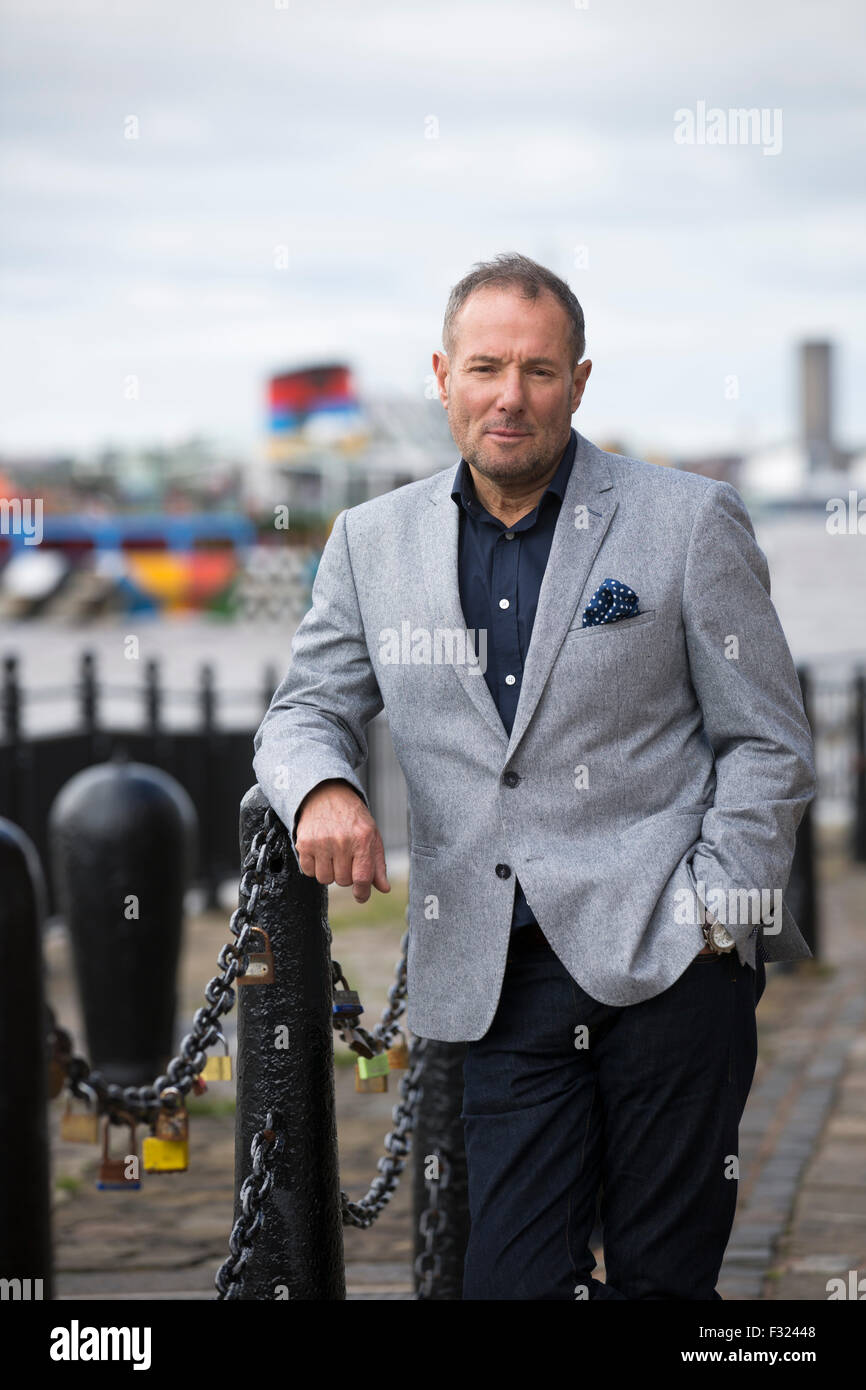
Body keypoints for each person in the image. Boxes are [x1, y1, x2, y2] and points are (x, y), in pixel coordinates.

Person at [253, 252, 817, 1299]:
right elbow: (303, 710)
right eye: (484, 367)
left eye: (537, 370)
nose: (509, 395)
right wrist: (322, 789)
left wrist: (712, 911)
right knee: (508, 1280)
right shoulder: (369, 544)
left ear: (578, 380)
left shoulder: (687, 521)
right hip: (494, 981)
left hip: (671, 962)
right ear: (441, 375)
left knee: (663, 1280)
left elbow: (768, 740)